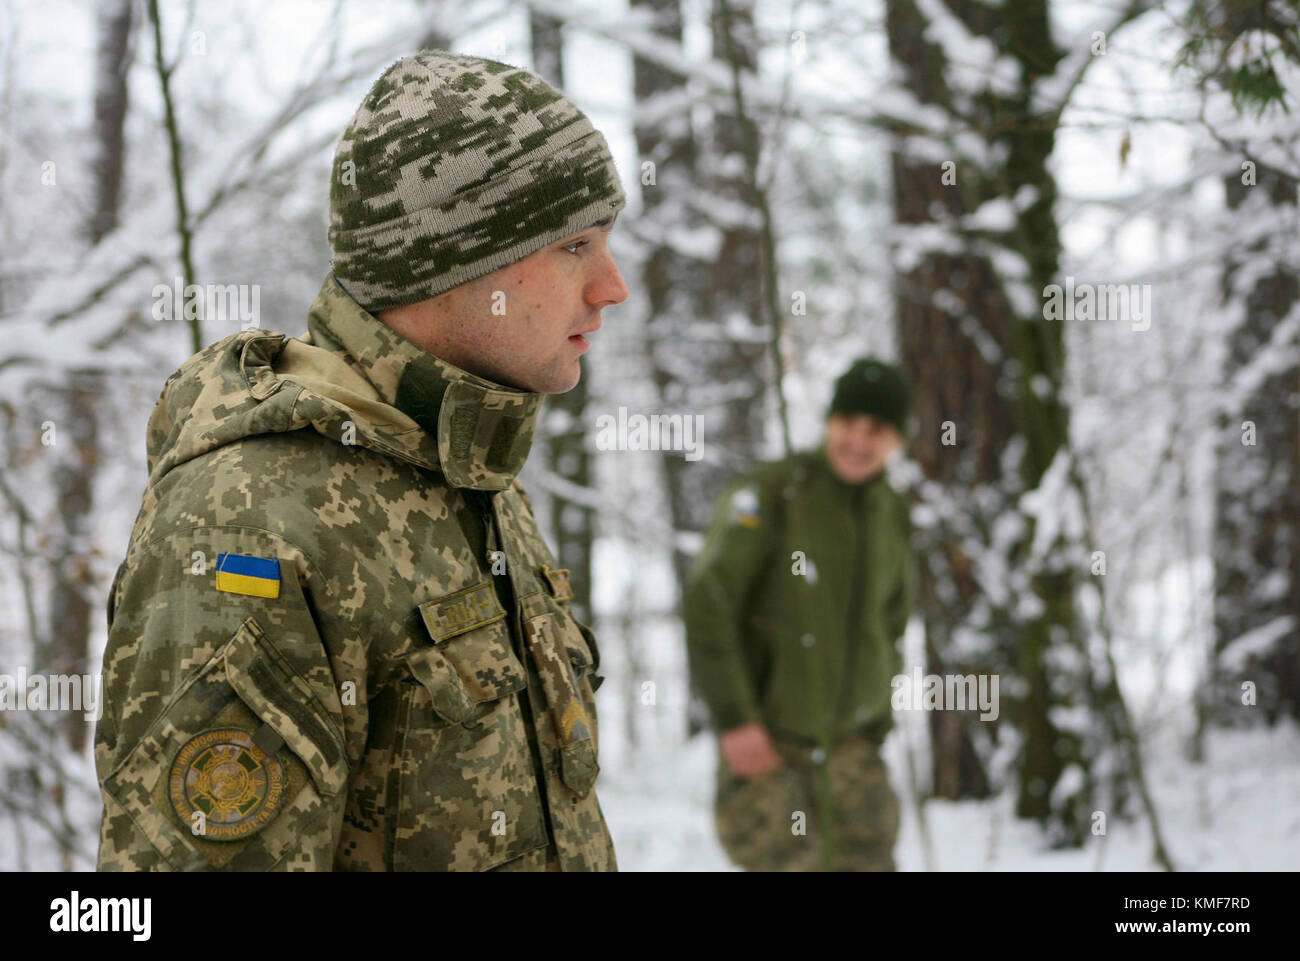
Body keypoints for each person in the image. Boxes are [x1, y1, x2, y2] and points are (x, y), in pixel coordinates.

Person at [94, 50, 628, 872]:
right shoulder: (253, 521)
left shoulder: (462, 466)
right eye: (575, 246)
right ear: (453, 260)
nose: (612, 286)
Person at [684, 358, 915, 871]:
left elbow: (892, 621)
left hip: (855, 754)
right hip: (772, 748)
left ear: (895, 438)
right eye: (847, 424)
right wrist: (735, 719)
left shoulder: (891, 512)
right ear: (830, 422)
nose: (858, 441)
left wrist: (878, 720)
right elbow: (708, 604)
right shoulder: (771, 493)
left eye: (875, 429)